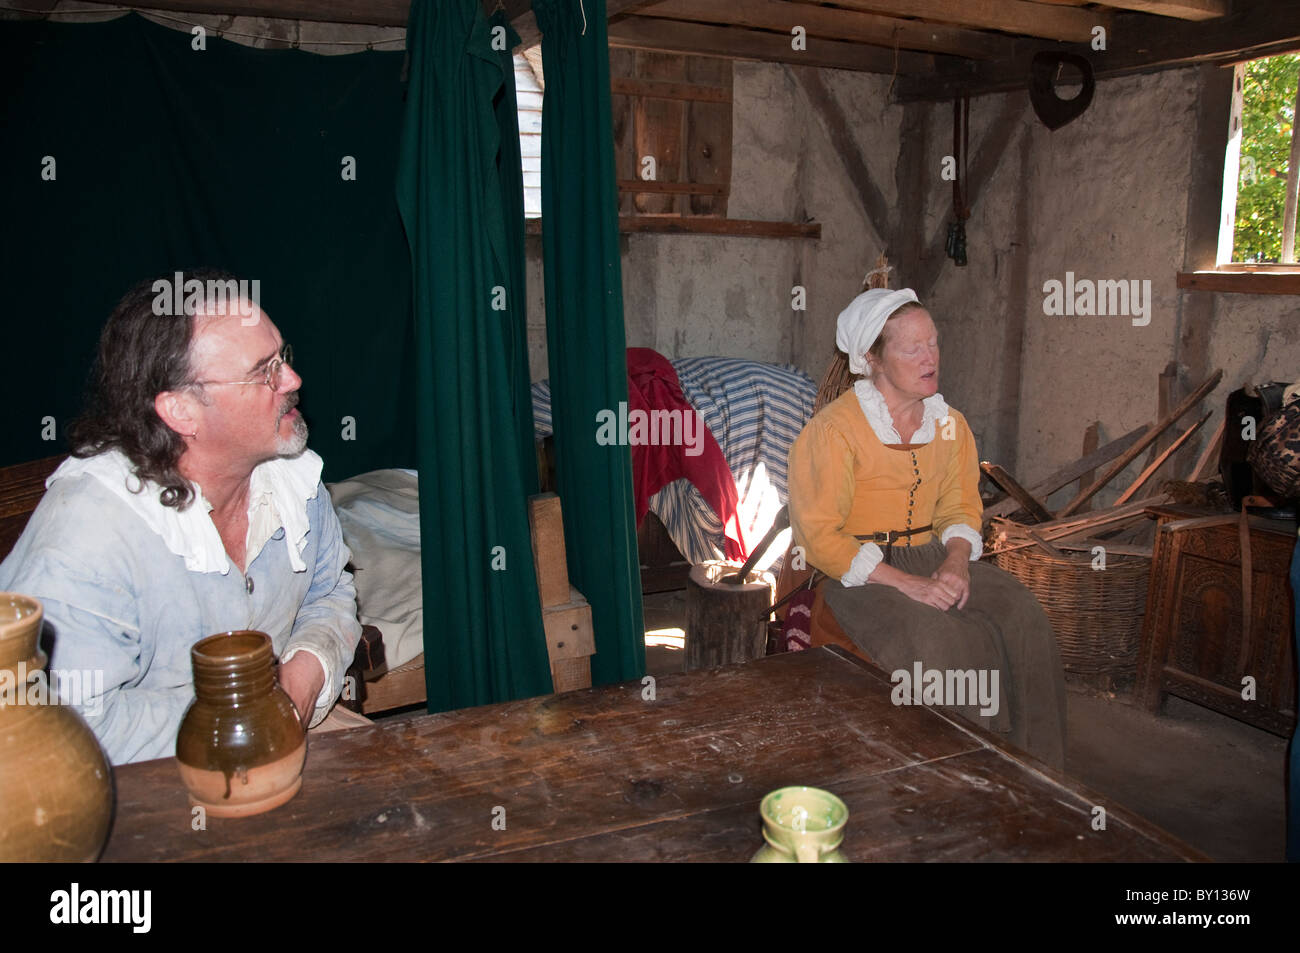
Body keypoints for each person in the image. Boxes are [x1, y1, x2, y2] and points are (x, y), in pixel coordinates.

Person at [0, 272, 362, 764]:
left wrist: (307, 672)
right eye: (263, 371)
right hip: (133, 787)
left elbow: (329, 590)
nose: (292, 381)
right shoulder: (89, 535)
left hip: (287, 736)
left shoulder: (291, 477)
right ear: (181, 411)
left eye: (284, 357)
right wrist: (251, 712)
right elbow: (60, 727)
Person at [787, 287, 1066, 769]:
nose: (929, 357)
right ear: (873, 358)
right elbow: (820, 536)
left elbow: (960, 503)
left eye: (933, 343)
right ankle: (954, 777)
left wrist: (956, 563)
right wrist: (907, 584)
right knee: (939, 643)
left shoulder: (950, 425)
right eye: (911, 347)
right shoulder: (834, 432)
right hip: (861, 573)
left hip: (937, 555)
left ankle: (1033, 773)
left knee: (1025, 617)